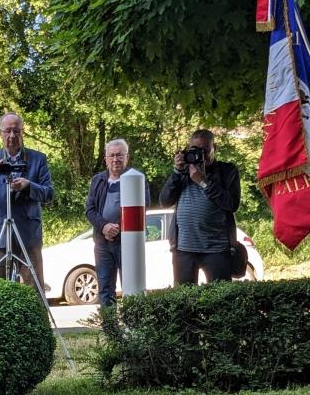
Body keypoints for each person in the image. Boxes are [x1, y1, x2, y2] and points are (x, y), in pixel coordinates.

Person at [0, 113, 54, 291]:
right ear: (0, 133)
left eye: (16, 131)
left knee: (34, 289)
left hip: (27, 233)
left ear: (23, 132)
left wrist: (28, 186)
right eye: (7, 131)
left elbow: (48, 194)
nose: (12, 136)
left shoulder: (38, 159)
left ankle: (38, 311)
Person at [159, 129, 241, 286]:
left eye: (205, 150)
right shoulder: (182, 172)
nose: (200, 155)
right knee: (184, 296)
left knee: (221, 296)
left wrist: (203, 182)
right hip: (184, 248)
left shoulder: (227, 171)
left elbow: (232, 204)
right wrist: (177, 172)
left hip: (217, 249)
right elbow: (165, 201)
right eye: (195, 150)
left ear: (214, 148)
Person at [84, 139, 150, 307]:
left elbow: (143, 206)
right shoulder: (98, 180)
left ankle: (133, 322)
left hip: (127, 244)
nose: (115, 159)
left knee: (132, 288)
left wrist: (118, 228)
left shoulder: (137, 178)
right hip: (102, 244)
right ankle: (109, 323)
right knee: (105, 289)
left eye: (120, 155)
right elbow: (89, 210)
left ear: (127, 157)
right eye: (111, 155)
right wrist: (104, 226)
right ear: (105, 159)